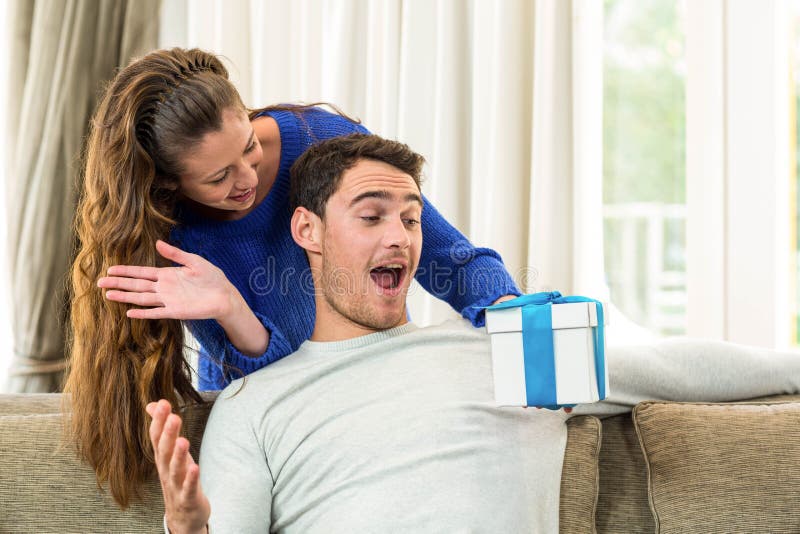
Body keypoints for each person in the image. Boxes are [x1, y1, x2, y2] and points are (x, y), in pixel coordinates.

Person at [148, 133, 800, 533]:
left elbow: (671, 367)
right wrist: (187, 528)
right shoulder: (254, 406)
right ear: (307, 231)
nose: (400, 236)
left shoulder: (506, 353)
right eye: (371, 216)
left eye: (411, 219)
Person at [64, 48, 519, 507]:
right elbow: (272, 393)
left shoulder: (318, 140)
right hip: (266, 399)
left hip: (364, 379)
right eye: (219, 178)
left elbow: (452, 259)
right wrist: (231, 308)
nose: (247, 178)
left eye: (249, 147)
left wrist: (515, 319)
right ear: (169, 183)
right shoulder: (172, 236)